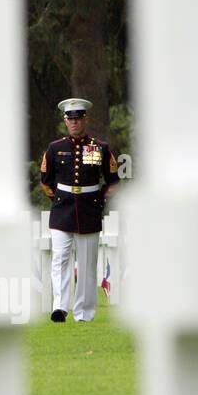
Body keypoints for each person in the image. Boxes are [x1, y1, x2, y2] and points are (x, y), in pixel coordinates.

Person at [39, 97, 121, 322]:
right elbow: (45, 180)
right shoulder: (55, 148)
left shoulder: (100, 148)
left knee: (86, 263)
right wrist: (57, 198)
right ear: (65, 121)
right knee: (61, 258)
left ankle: (84, 312)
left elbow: (113, 181)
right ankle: (60, 307)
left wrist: (100, 199)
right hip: (62, 209)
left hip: (89, 209)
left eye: (78, 118)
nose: (74, 123)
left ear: (85, 119)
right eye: (70, 119)